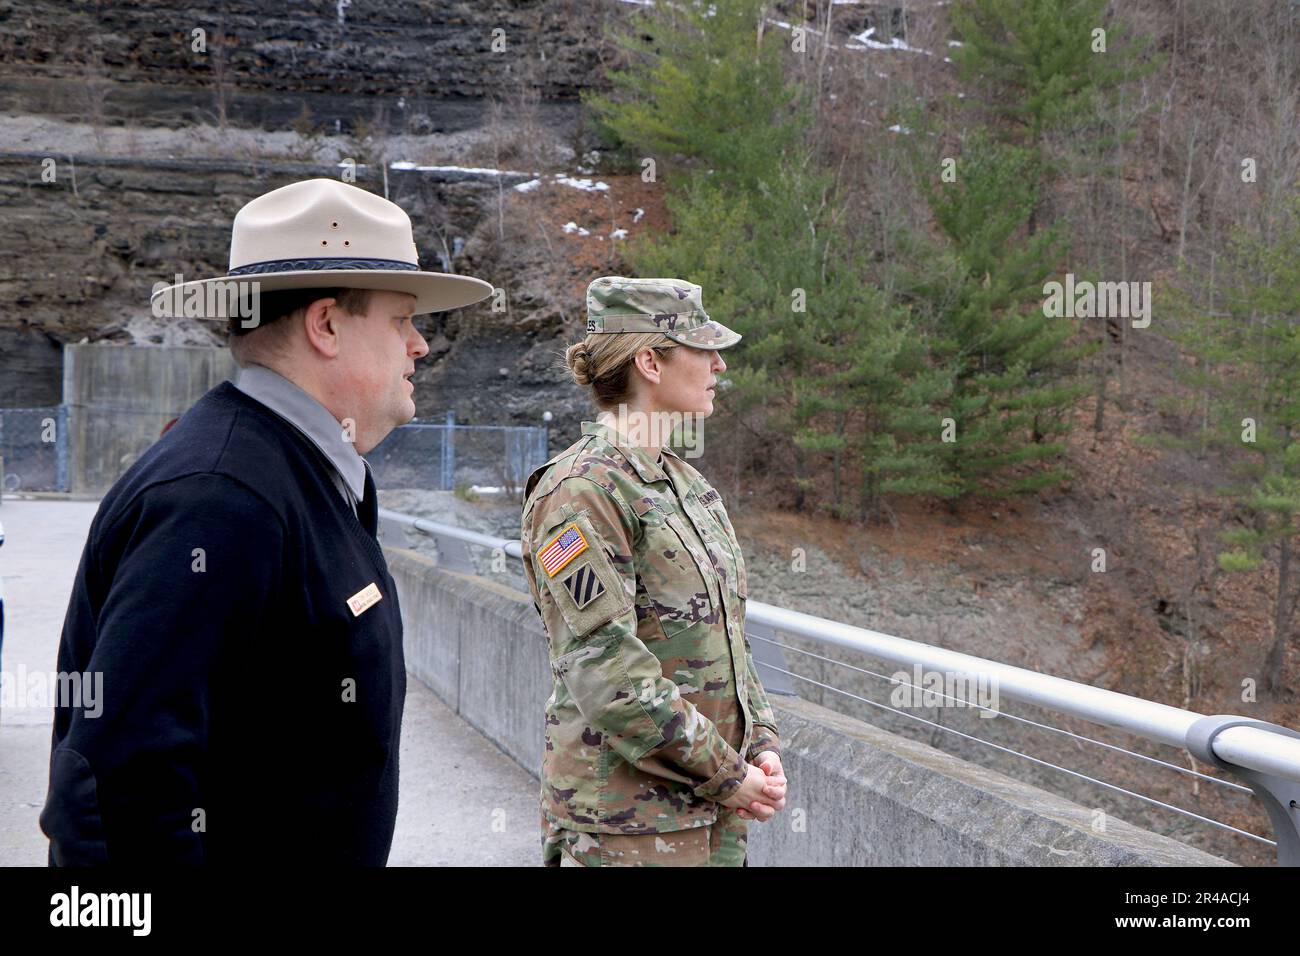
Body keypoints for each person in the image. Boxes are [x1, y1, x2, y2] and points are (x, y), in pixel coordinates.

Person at [40, 178, 492, 864]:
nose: (420, 346)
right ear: (327, 325)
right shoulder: (221, 498)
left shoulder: (286, 471)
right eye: (402, 320)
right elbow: (118, 796)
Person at [521, 276, 787, 867]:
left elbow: (728, 638)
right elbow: (606, 667)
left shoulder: (686, 486)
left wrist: (760, 741)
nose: (719, 364)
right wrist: (726, 772)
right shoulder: (581, 492)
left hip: (709, 814)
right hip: (625, 826)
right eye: (703, 348)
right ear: (650, 361)